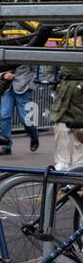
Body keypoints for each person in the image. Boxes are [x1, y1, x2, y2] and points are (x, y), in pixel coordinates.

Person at [51, 37, 83, 171]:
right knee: (60, 126)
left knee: (81, 130)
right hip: (64, 93)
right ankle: (61, 162)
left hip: (79, 95)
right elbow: (52, 68)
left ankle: (79, 163)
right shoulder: (65, 44)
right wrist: (55, 84)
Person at [0, 63, 41, 155]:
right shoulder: (7, 50)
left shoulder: (29, 53)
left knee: (25, 119)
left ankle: (34, 136)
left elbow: (39, 71)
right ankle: (6, 146)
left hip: (24, 90)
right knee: (4, 116)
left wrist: (30, 86)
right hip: (7, 88)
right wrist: (4, 75)